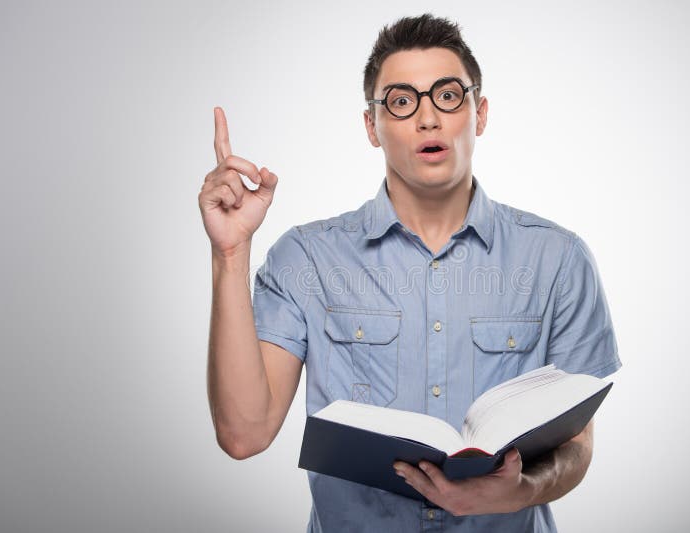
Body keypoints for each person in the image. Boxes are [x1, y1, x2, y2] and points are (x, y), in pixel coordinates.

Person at [199, 13, 621, 532]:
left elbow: (577, 447)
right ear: (372, 126)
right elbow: (244, 434)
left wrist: (522, 490)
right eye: (401, 101)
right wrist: (231, 253)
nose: (428, 119)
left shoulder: (558, 260)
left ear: (479, 113)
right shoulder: (305, 260)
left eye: (447, 96)